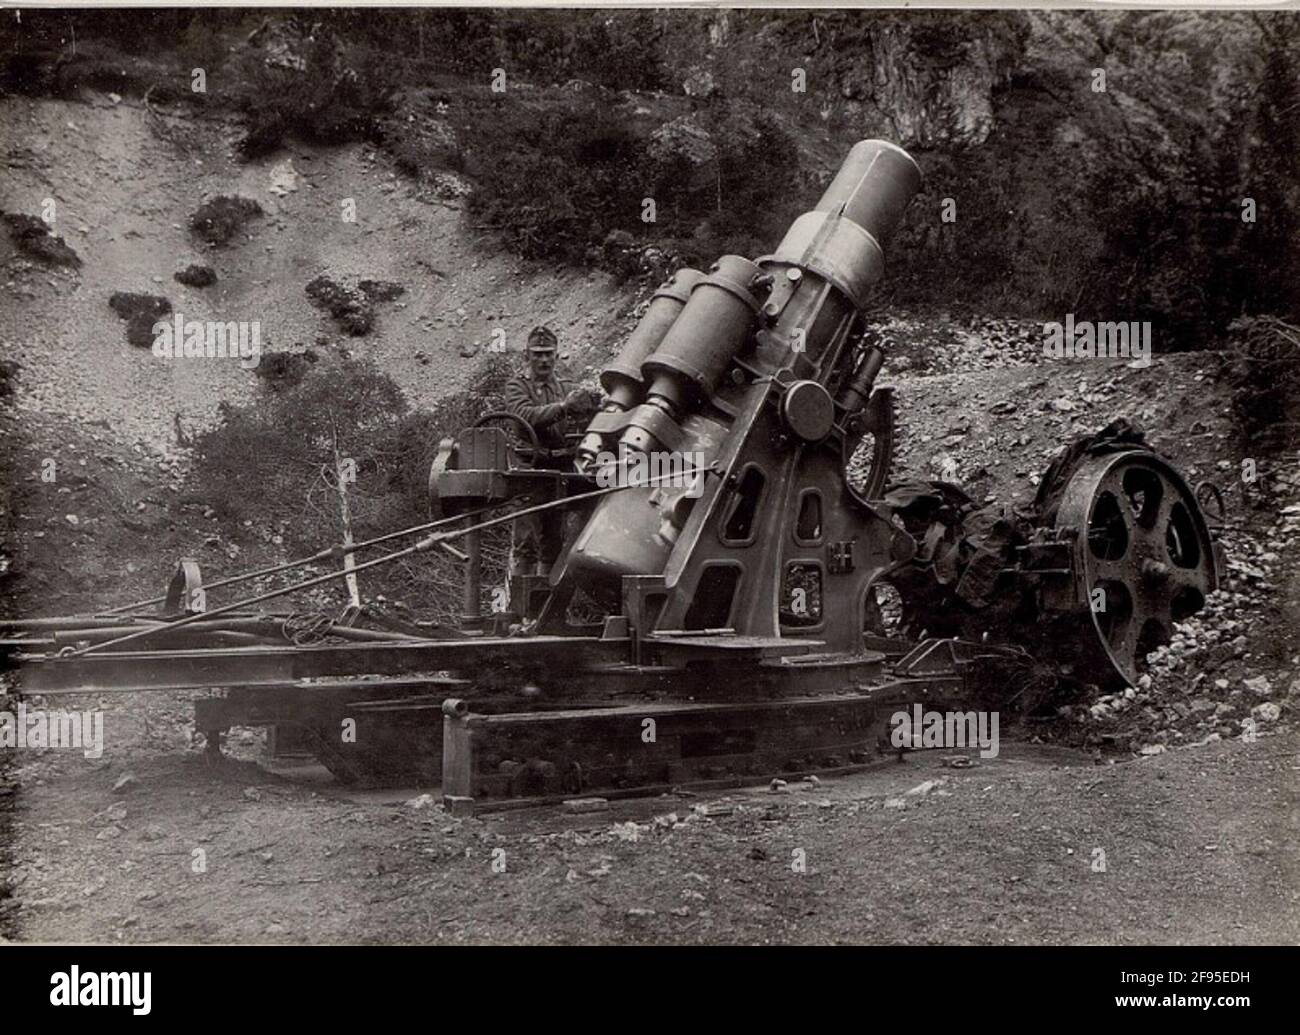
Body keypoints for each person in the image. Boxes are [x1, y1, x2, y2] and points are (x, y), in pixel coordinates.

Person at [503, 326, 600, 575]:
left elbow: (583, 418)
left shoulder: (566, 387)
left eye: (548, 353)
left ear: (556, 355)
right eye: (538, 354)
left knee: (553, 541)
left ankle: (543, 606)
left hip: (560, 470)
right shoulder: (517, 386)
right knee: (525, 542)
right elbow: (524, 416)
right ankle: (518, 607)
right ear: (527, 356)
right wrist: (564, 407)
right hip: (530, 470)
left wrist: (594, 407)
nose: (544, 359)